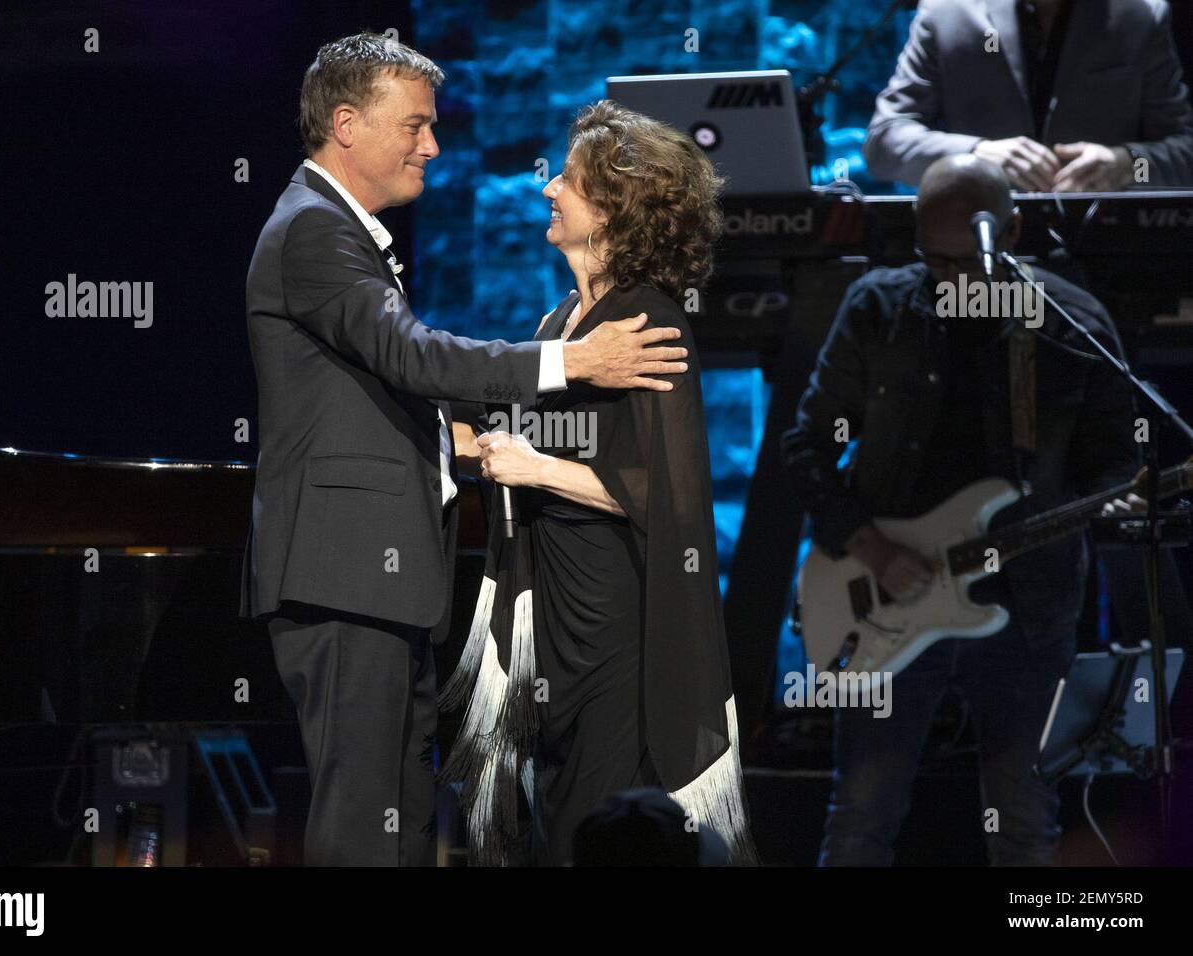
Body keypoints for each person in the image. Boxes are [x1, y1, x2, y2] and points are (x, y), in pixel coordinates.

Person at [240, 34, 691, 867]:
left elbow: (382, 379)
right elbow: (407, 353)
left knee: (400, 807)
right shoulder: (313, 229)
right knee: (363, 820)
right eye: (414, 126)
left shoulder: (339, 228)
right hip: (344, 579)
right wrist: (571, 363)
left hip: (381, 587)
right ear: (346, 124)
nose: (432, 145)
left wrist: (449, 433)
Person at [781, 154, 1143, 865]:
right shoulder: (878, 309)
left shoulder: (1072, 322)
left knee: (1024, 821)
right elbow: (807, 446)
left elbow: (1116, 457)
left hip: (1030, 603)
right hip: (884, 595)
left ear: (1013, 229)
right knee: (862, 813)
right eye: (934, 261)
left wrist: (1113, 495)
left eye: (967, 261)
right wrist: (872, 548)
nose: (954, 281)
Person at [439, 101, 757, 866]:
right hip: (555, 604)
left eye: (570, 183)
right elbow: (520, 431)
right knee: (555, 805)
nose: (550, 191)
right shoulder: (562, 323)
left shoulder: (649, 321)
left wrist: (535, 467)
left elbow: (669, 493)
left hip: (615, 613)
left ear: (615, 207)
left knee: (596, 804)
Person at [864, 0, 1193, 189]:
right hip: (977, 260)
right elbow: (884, 144)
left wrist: (1129, 166)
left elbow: (1186, 156)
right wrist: (974, 157)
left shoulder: (1141, 16)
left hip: (1101, 259)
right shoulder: (947, 13)